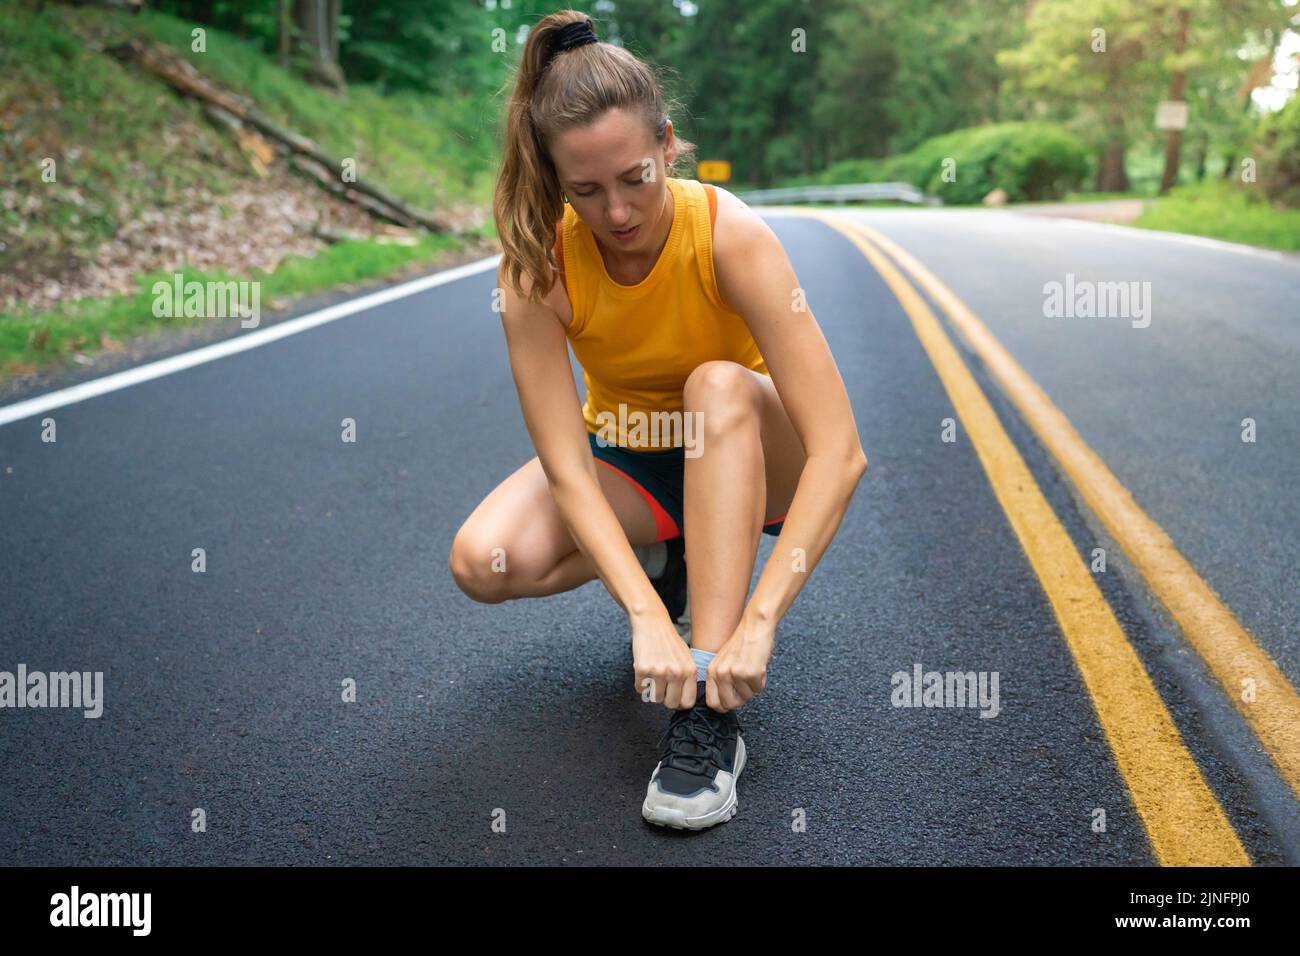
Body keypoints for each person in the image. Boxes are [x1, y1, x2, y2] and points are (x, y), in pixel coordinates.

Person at [450, 10, 867, 830]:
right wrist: (641, 607)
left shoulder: (730, 235)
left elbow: (840, 453)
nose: (619, 212)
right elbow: (568, 463)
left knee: (713, 385)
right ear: (553, 176)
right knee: (483, 561)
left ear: (668, 144)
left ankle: (707, 717)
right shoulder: (537, 262)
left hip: (750, 449)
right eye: (586, 190)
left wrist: (759, 623)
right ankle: (666, 566)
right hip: (635, 460)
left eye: (636, 177)